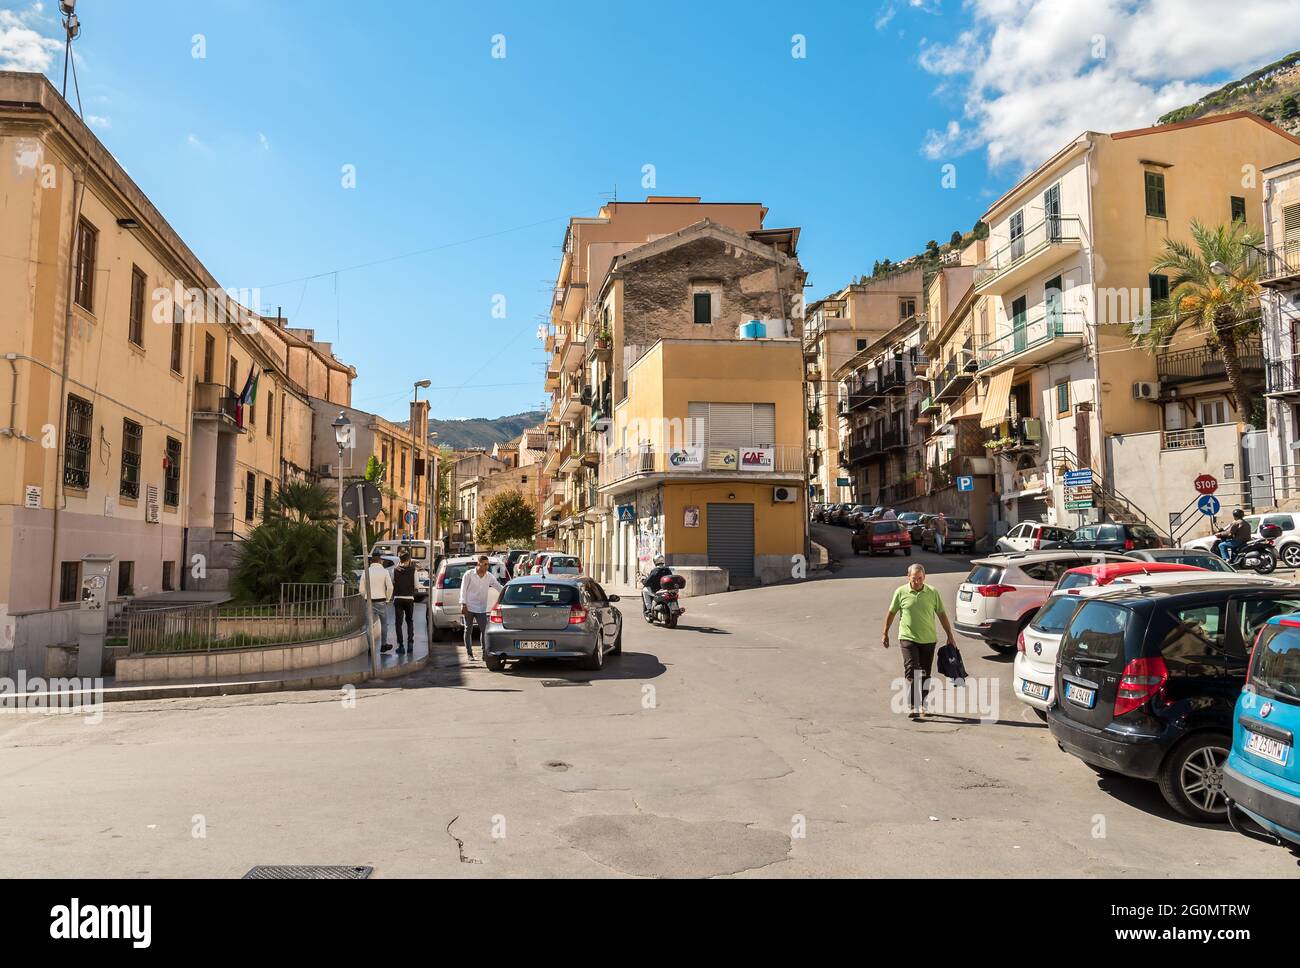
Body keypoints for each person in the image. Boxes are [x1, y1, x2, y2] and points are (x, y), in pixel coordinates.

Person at [881, 563, 956, 720]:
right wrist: (885, 633)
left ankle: (923, 703)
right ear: (908, 577)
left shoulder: (932, 592)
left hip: (928, 639)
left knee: (925, 673)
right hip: (907, 637)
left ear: (924, 577)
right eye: (914, 579)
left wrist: (950, 635)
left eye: (920, 579)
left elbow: (941, 614)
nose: (917, 582)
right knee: (913, 669)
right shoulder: (901, 592)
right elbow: (891, 613)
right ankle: (914, 705)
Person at [460, 555, 501, 662]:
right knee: (468, 630)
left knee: (484, 630)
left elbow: (498, 586)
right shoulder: (468, 575)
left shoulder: (489, 576)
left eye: (488, 564)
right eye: (485, 564)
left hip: (481, 608)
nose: (487, 566)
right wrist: (463, 604)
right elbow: (463, 589)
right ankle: (469, 654)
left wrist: (508, 593)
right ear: (478, 564)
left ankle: (484, 653)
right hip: (468, 607)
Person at [365, 552, 395, 653]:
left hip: (369, 601)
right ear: (380, 561)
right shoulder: (384, 572)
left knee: (369, 626)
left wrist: (365, 596)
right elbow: (390, 587)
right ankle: (383, 645)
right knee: (384, 624)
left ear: (371, 561)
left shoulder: (366, 572)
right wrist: (387, 599)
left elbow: (361, 589)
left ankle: (371, 648)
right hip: (381, 601)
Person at [391, 549, 417, 655]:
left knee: (398, 623)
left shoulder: (395, 570)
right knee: (409, 621)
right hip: (409, 598)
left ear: (399, 559)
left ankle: (400, 646)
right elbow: (416, 585)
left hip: (398, 598)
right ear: (409, 559)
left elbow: (393, 581)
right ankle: (410, 644)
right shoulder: (413, 570)